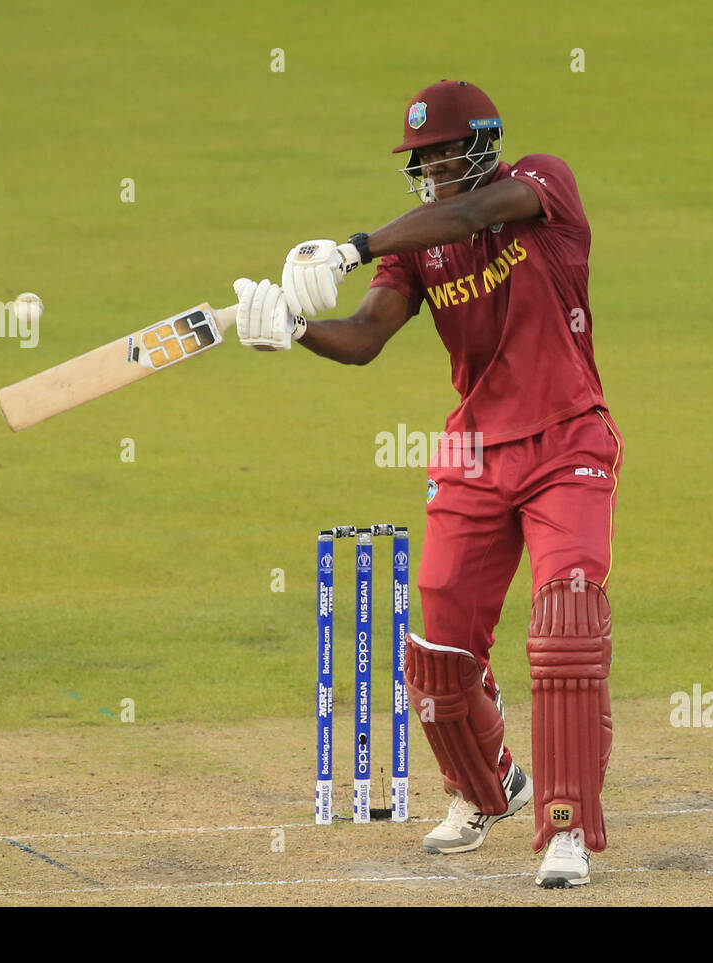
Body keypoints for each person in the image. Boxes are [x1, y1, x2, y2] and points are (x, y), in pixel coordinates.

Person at [233, 79, 622, 888]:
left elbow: (476, 214)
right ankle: (489, 789)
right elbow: (368, 335)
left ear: (481, 143)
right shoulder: (417, 243)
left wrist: (352, 245)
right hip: (476, 454)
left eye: (442, 153)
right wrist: (295, 329)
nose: (431, 170)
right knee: (437, 651)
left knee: (567, 624)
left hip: (567, 440)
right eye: (420, 159)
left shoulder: (540, 185)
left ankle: (567, 829)